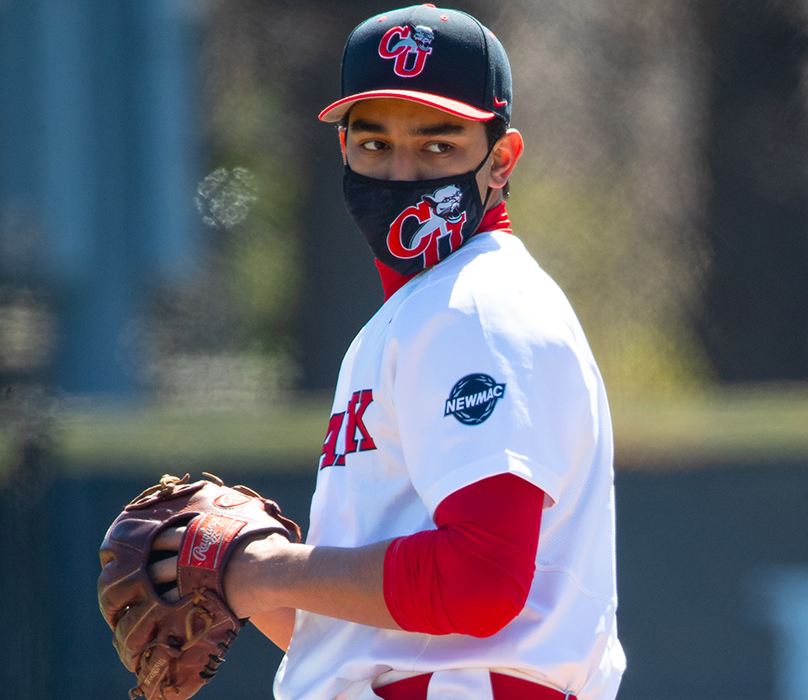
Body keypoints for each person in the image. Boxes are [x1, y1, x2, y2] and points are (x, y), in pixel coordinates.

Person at [151, 5, 623, 699]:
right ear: (344, 150)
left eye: (438, 146)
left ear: (501, 160)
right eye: (375, 145)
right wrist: (240, 580)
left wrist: (268, 571)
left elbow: (480, 581)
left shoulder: (475, 307)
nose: (402, 173)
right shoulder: (427, 310)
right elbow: (394, 631)